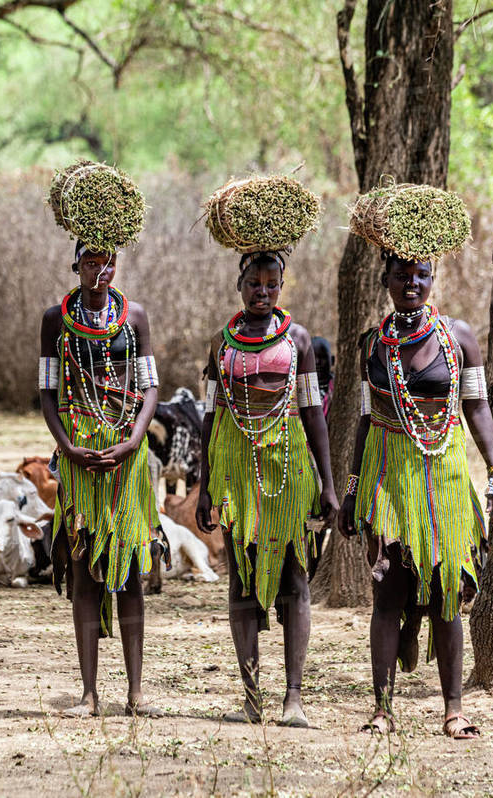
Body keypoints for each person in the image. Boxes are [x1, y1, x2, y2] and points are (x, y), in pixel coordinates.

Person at [339, 253, 493, 739]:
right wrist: (352, 490)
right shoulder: (372, 344)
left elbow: (476, 405)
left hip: (446, 480)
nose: (411, 283)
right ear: (386, 280)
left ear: (433, 279)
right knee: (388, 595)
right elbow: (365, 418)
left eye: (421, 275)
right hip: (388, 479)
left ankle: (454, 711)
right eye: (401, 275)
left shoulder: (458, 338)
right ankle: (382, 709)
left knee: (446, 596)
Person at [195, 250, 339, 728]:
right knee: (240, 576)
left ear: (282, 286)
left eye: (272, 283)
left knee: (295, 576)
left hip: (288, 468)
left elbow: (315, 413)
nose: (263, 291)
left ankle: (293, 698)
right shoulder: (221, 343)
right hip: (234, 471)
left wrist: (328, 482)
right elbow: (210, 417)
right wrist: (204, 487)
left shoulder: (298, 341)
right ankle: (252, 696)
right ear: (239, 284)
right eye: (254, 283)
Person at [39, 241, 162, 719]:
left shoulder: (135, 318)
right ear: (76, 265)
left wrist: (134, 439)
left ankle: (135, 692)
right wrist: (67, 448)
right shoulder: (56, 320)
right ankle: (89, 694)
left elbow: (149, 386)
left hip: (126, 456)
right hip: (78, 456)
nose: (101, 269)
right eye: (92, 261)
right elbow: (48, 391)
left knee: (129, 567)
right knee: (83, 564)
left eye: (109, 260)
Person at [311, 335, 334, 421]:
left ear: (332, 360)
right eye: (312, 357)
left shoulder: (338, 389)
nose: (317, 362)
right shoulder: (297, 390)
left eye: (322, 357)